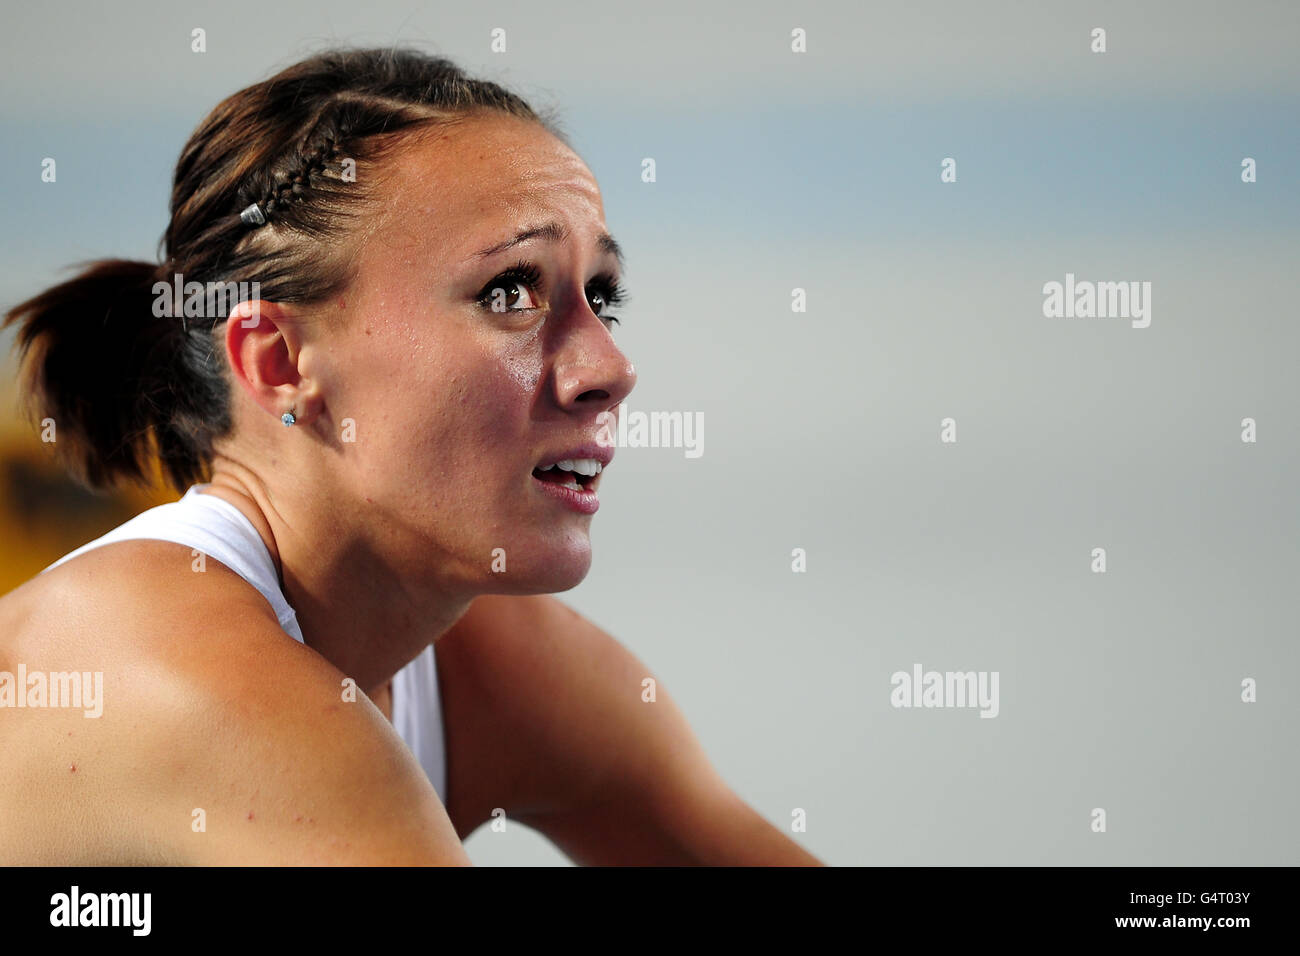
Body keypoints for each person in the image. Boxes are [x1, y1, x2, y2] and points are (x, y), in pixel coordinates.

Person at [0, 47, 823, 866]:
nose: (609, 368)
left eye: (600, 298)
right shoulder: (180, 670)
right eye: (510, 292)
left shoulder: (492, 665)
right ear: (280, 363)